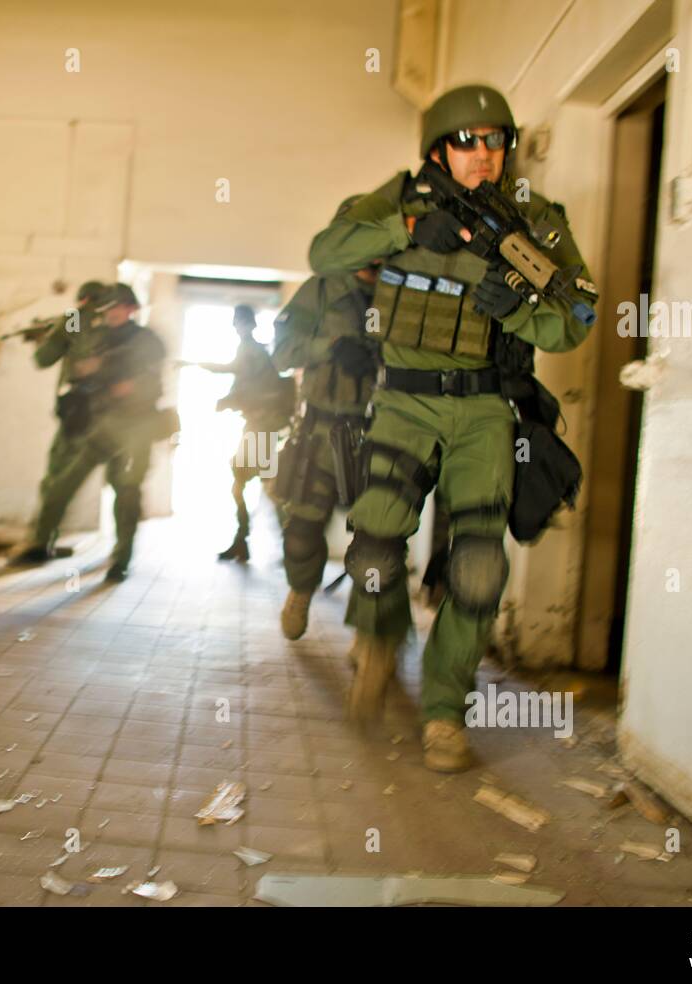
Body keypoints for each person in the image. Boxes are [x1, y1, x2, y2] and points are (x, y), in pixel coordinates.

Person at [307, 83, 597, 771]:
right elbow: (326, 253)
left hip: (485, 409)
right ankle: (379, 641)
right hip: (404, 400)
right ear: (439, 148)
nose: (483, 156)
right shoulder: (397, 199)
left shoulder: (532, 220)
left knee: (476, 568)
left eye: (496, 142)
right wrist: (403, 232)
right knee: (375, 545)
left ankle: (444, 711)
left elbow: (578, 318)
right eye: (467, 142)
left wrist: (520, 309)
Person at [270, 198, 380, 638]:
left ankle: (373, 636)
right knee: (302, 528)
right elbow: (282, 353)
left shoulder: (405, 288)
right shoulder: (321, 290)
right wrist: (330, 347)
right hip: (322, 427)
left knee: (379, 539)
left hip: (383, 432)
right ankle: (300, 590)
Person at [13, 283, 169, 582]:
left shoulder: (139, 339)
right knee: (64, 486)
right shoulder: (96, 332)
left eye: (115, 307)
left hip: (131, 428)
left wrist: (59, 333)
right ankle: (41, 541)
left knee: (124, 491)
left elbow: (46, 357)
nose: (108, 313)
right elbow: (72, 363)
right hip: (96, 423)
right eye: (105, 308)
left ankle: (119, 559)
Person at [183, 305, 294, 563]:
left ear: (248, 325)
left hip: (262, 426)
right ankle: (254, 541)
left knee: (267, 487)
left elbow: (237, 373)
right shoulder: (254, 349)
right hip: (260, 425)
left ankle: (286, 544)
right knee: (253, 483)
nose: (237, 327)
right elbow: (239, 376)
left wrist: (225, 397)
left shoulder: (251, 349)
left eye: (240, 323)